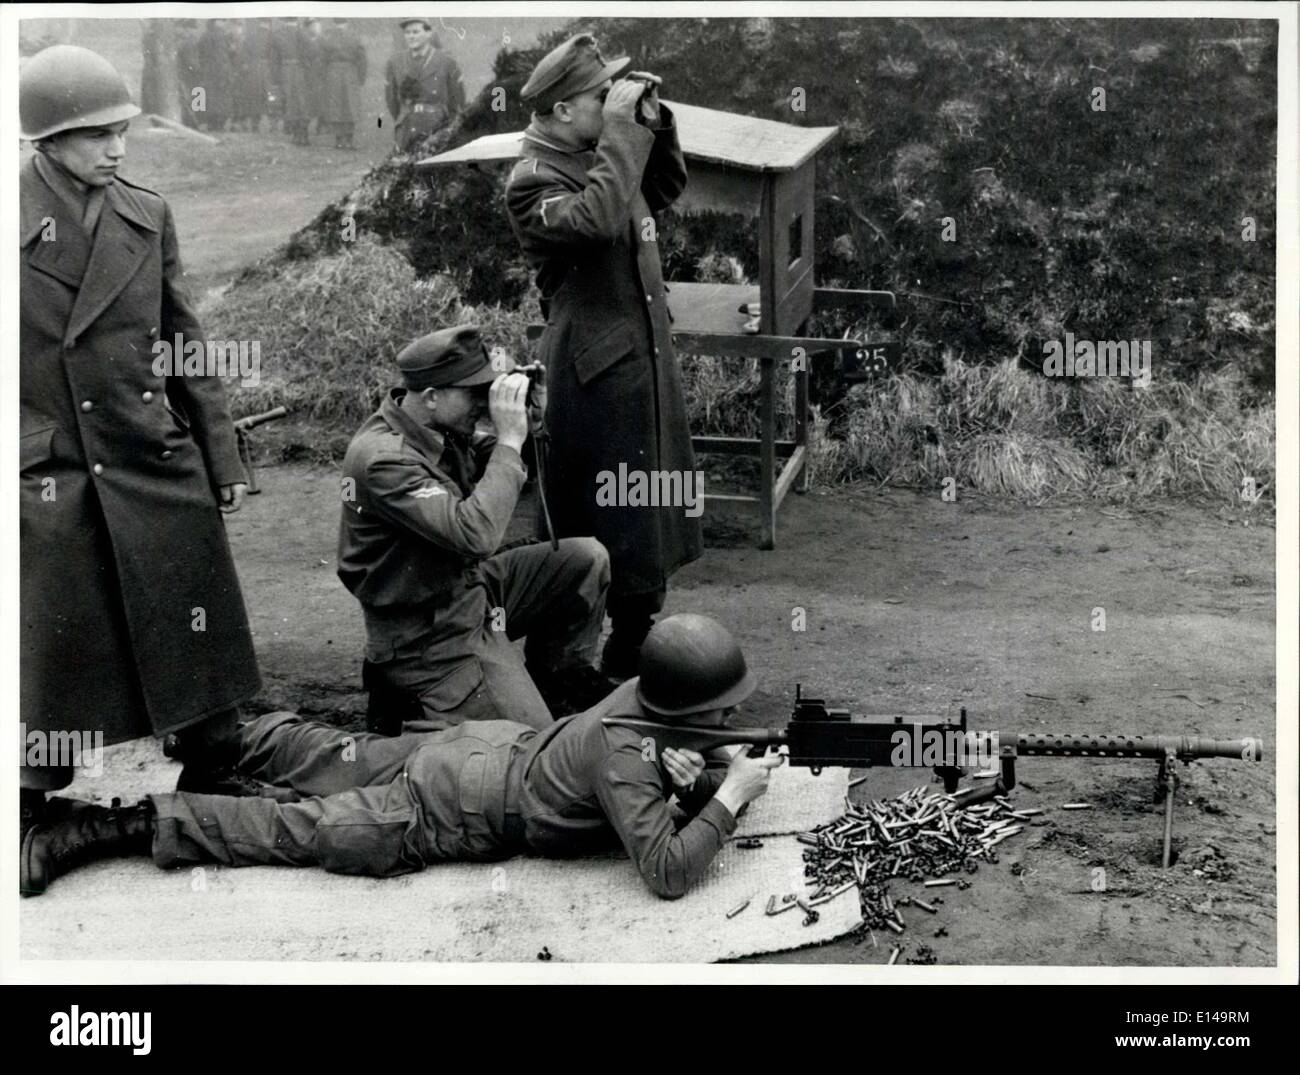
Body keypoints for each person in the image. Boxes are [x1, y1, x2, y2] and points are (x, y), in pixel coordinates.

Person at [20, 615, 785, 900]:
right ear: (682, 709)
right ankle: (106, 828)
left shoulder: (637, 697)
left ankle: (207, 736)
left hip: (464, 748)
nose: (730, 721)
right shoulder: (627, 753)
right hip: (448, 808)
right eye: (720, 713)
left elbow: (656, 757)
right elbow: (666, 873)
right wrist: (730, 795)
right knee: (301, 829)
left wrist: (695, 774)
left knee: (323, 749)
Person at [18, 46, 269, 857]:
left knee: (193, 605)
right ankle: (34, 803)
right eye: (96, 136)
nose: (117, 148)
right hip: (54, 467)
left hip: (153, 454)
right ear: (47, 141)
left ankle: (213, 766)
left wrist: (221, 457)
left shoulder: (146, 214)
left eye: (121, 130)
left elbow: (184, 340)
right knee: (54, 639)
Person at [504, 34, 702, 680]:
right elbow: (594, 219)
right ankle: (562, 668)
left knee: (649, 522)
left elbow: (664, 186)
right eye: (600, 96)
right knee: (600, 521)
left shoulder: (598, 151)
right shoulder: (531, 180)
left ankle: (633, 646)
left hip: (640, 363)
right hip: (593, 378)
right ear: (563, 110)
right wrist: (620, 132)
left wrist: (653, 123)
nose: (609, 103)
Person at [337, 325, 614, 734]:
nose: (482, 404)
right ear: (431, 397)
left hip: (469, 593)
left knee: (584, 560)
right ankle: (413, 700)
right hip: (424, 636)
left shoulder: (439, 428)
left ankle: (555, 686)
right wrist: (508, 438)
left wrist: (532, 424)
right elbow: (476, 534)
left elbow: (517, 469)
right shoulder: (382, 459)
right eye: (472, 393)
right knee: (528, 750)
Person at [384, 18, 465, 151]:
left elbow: (457, 100)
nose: (411, 36)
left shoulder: (446, 62)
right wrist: (404, 115)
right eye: (407, 32)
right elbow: (391, 100)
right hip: (406, 128)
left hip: (436, 126)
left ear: (428, 34)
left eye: (416, 32)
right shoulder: (395, 62)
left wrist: (447, 127)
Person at [321, 17, 367, 150]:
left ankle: (339, 140)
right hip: (350, 73)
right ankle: (349, 139)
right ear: (347, 22)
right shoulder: (355, 36)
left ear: (334, 23)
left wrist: (325, 76)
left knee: (336, 105)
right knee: (350, 105)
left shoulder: (328, 37)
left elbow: (323, 60)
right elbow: (362, 60)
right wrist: (361, 77)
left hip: (333, 73)